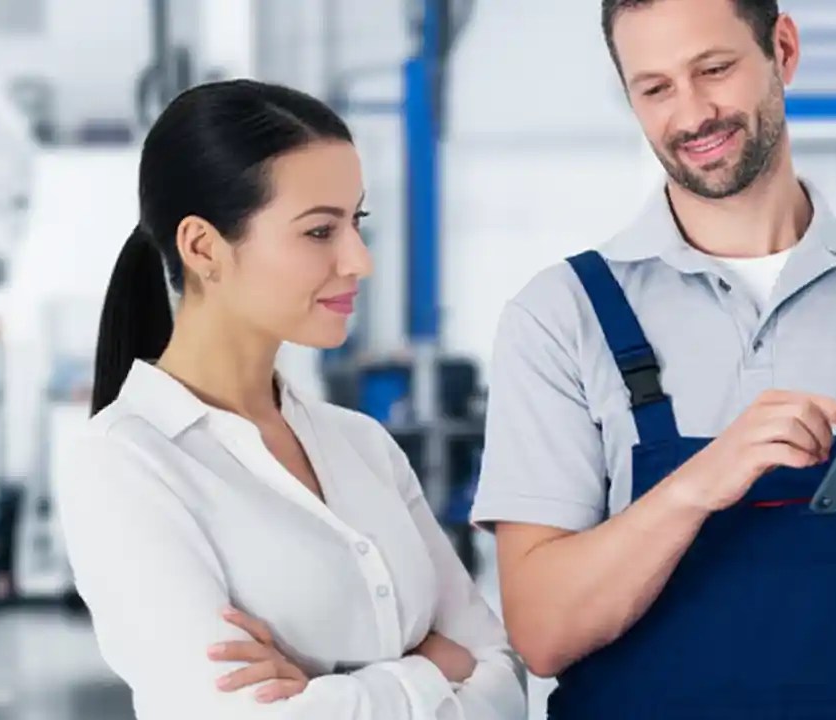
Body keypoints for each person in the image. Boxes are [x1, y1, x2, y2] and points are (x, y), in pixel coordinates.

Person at [470, 1, 836, 718]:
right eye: (655, 88)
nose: (692, 114)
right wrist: (701, 483)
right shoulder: (560, 317)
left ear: (782, 49)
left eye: (715, 69)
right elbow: (541, 632)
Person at [56, 79, 526, 720]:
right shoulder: (122, 465)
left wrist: (320, 684)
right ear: (202, 247)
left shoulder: (364, 445)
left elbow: (503, 678)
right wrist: (433, 668)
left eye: (355, 222)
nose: (358, 259)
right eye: (318, 231)